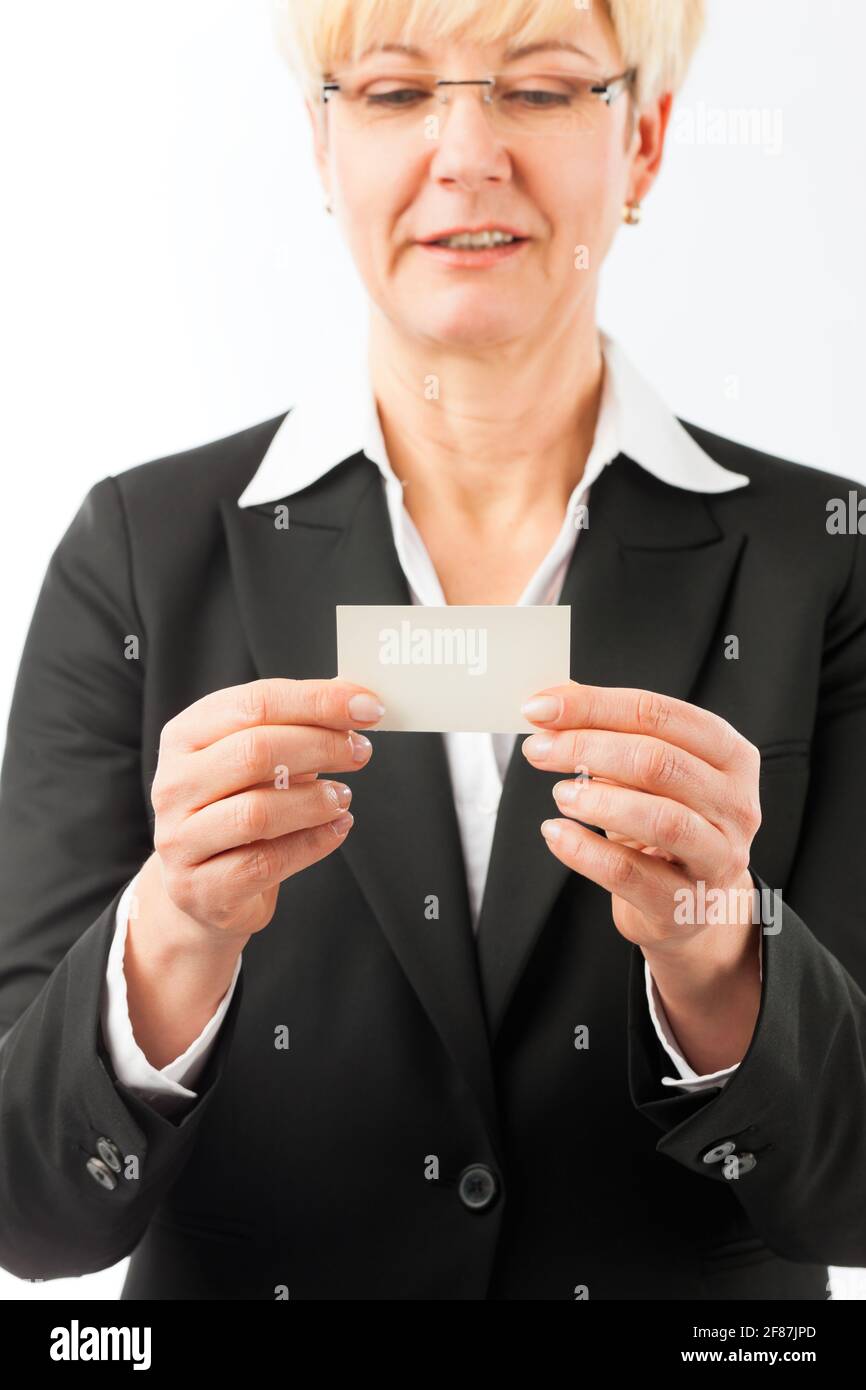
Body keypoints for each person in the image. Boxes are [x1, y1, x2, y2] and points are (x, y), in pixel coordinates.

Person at [0, 0, 864, 1300]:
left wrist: (719, 957)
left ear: (644, 140)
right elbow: (32, 1210)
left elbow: (849, 1203)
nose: (465, 154)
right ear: (320, 148)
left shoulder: (826, 555)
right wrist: (167, 939)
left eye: (541, 88)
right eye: (396, 93)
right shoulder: (135, 547)